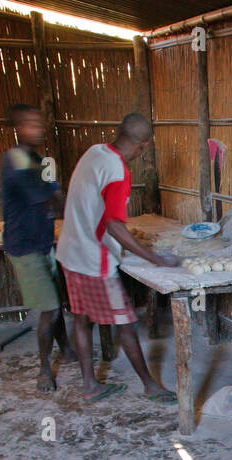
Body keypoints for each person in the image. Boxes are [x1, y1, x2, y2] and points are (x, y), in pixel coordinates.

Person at [55, 112, 178, 403]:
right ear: (142, 145)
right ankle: (149, 385)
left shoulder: (93, 153)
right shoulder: (119, 172)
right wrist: (155, 258)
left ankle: (90, 385)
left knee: (82, 320)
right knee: (125, 322)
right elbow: (113, 224)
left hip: (70, 251)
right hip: (93, 260)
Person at [0, 103, 76, 392]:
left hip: (43, 242)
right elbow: (50, 200)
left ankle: (66, 349)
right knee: (50, 308)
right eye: (31, 123)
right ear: (18, 128)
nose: (39, 127)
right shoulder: (15, 160)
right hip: (25, 247)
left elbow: (54, 195)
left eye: (39, 122)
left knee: (55, 299)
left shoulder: (37, 159)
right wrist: (80, 209)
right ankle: (44, 369)